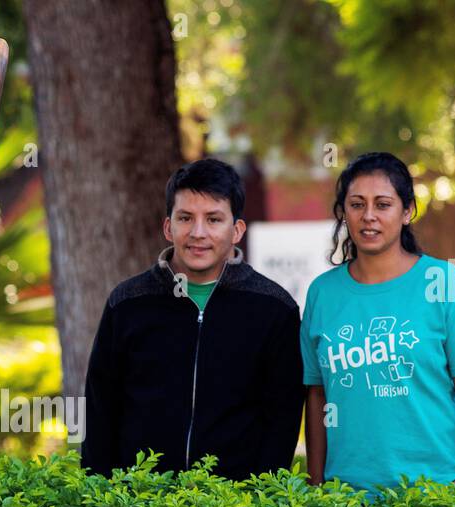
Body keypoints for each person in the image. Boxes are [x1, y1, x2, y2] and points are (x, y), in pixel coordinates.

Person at [81, 158, 304, 481]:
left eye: (214, 219)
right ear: (168, 226)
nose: (198, 233)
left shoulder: (274, 309)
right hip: (139, 505)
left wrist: (259, 504)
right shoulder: (128, 303)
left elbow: (281, 421)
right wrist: (101, 500)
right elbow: (100, 410)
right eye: (186, 218)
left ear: (237, 229)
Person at [301, 151, 455, 493]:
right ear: (343, 212)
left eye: (383, 204)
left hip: (434, 491)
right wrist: (317, 485)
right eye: (357, 204)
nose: (368, 216)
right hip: (346, 498)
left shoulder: (442, 281)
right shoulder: (322, 293)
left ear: (407, 212)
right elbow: (317, 395)